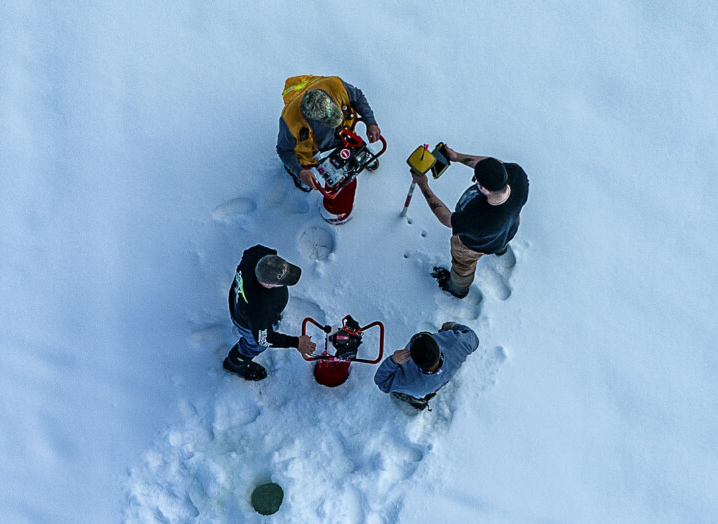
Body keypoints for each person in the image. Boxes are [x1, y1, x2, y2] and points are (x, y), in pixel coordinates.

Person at [410, 145, 529, 297]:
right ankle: (500, 249)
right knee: (501, 238)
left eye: (477, 181)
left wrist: (423, 184)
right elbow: (495, 164)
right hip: (509, 228)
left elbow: (446, 218)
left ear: (485, 189)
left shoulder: (477, 219)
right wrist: (457, 156)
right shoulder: (518, 176)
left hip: (474, 246)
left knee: (463, 265)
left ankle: (457, 288)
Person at [277, 75, 384, 221]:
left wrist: (370, 122)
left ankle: (360, 155)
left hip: (344, 134)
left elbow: (358, 97)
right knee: (328, 174)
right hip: (312, 151)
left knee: (350, 156)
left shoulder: (336, 86)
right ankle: (301, 176)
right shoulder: (289, 121)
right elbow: (284, 150)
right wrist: (300, 172)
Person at [225, 246, 312, 381]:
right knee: (255, 345)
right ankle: (236, 362)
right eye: (282, 282)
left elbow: (251, 251)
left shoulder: (255, 256)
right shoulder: (260, 309)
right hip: (248, 322)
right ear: (266, 283)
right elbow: (264, 339)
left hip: (240, 304)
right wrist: (298, 342)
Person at [373, 322, 480, 410]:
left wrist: (393, 361)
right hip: (443, 376)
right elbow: (473, 338)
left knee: (406, 392)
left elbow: (382, 382)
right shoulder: (456, 343)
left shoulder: (410, 380)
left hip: (422, 389)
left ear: (414, 361)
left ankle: (417, 400)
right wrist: (454, 327)